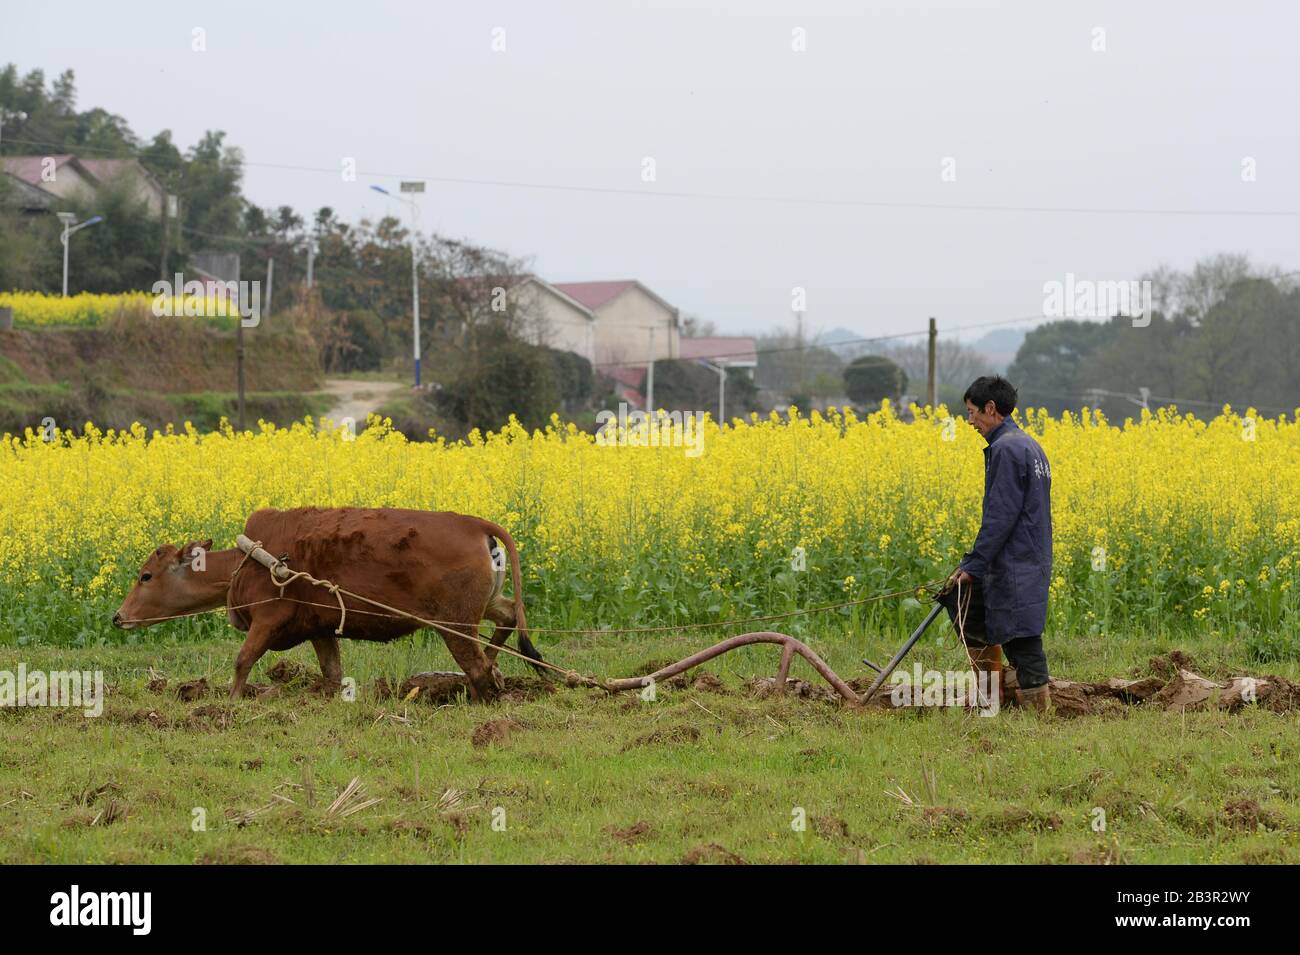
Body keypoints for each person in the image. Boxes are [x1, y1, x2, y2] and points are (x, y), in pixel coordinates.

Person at [944, 375, 1053, 712]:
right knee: (980, 615)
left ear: (991, 409)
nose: (970, 420)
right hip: (1027, 556)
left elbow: (1000, 515)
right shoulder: (1028, 444)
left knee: (1021, 638)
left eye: (973, 411)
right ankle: (991, 698)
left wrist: (973, 565)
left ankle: (1037, 714)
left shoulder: (1006, 449)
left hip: (1014, 560)